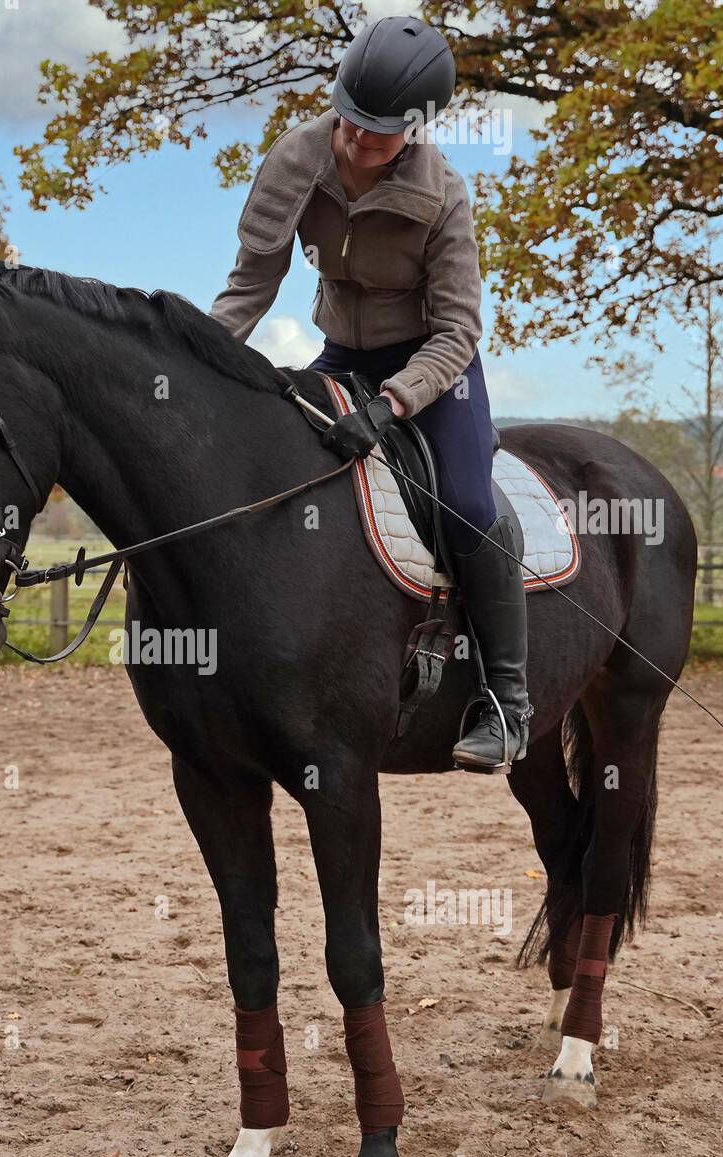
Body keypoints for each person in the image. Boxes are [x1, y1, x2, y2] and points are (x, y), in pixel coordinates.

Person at [210, 15, 531, 770]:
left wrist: (390, 406)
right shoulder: (291, 158)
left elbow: (457, 332)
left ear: (416, 131)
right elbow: (249, 288)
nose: (355, 140)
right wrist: (194, 362)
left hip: (430, 366)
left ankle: (506, 702)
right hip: (341, 353)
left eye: (377, 133)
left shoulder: (444, 193)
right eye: (349, 120)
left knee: (467, 502)